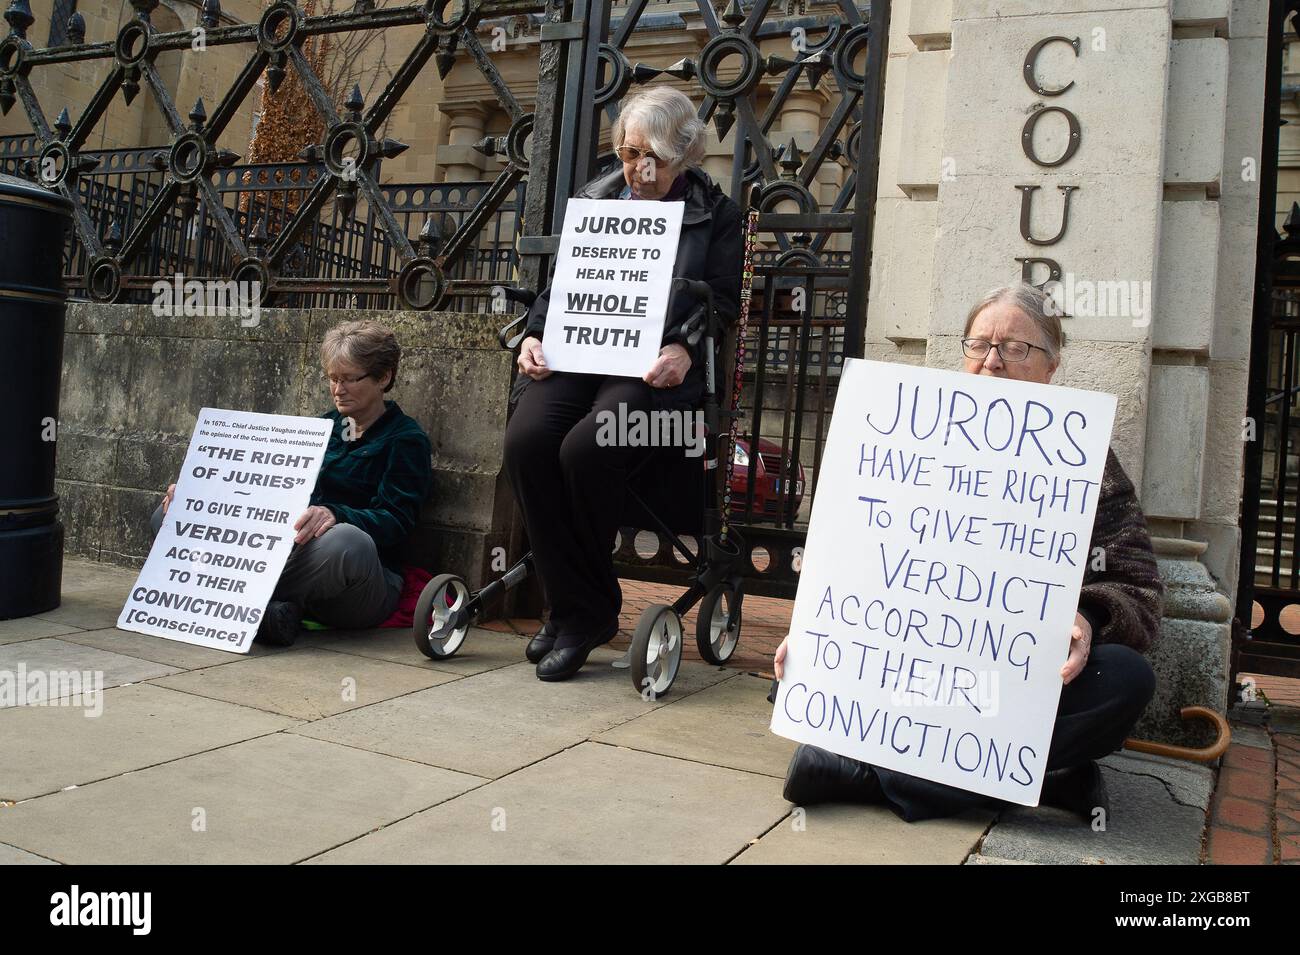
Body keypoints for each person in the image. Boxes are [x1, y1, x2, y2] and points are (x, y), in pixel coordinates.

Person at [774, 282, 1164, 822]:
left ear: (1052, 366)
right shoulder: (910, 440)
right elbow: (855, 555)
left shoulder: (1087, 459)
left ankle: (867, 777)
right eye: (979, 345)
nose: (993, 362)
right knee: (804, 666)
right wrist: (822, 625)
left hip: (1013, 683)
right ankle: (1047, 783)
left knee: (1124, 679)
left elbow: (1140, 587)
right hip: (909, 665)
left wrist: (1089, 616)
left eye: (1016, 348)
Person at [504, 86, 744, 681]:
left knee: (587, 448)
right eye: (626, 152)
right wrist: (533, 336)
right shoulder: (597, 197)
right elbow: (562, 287)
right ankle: (574, 605)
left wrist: (685, 348)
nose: (634, 170)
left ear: (682, 152)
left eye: (649, 157)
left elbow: (721, 302)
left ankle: (581, 613)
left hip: (652, 372)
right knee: (527, 441)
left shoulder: (717, 214)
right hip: (582, 355)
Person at [150, 320, 433, 646]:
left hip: (355, 577)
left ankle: (222, 599)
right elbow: (265, 488)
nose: (338, 390)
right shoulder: (321, 427)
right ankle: (263, 613)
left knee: (348, 542)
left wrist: (335, 514)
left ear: (383, 377)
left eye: (350, 379)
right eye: (332, 379)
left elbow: (397, 521)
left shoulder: (406, 439)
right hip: (287, 554)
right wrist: (200, 497)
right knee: (167, 516)